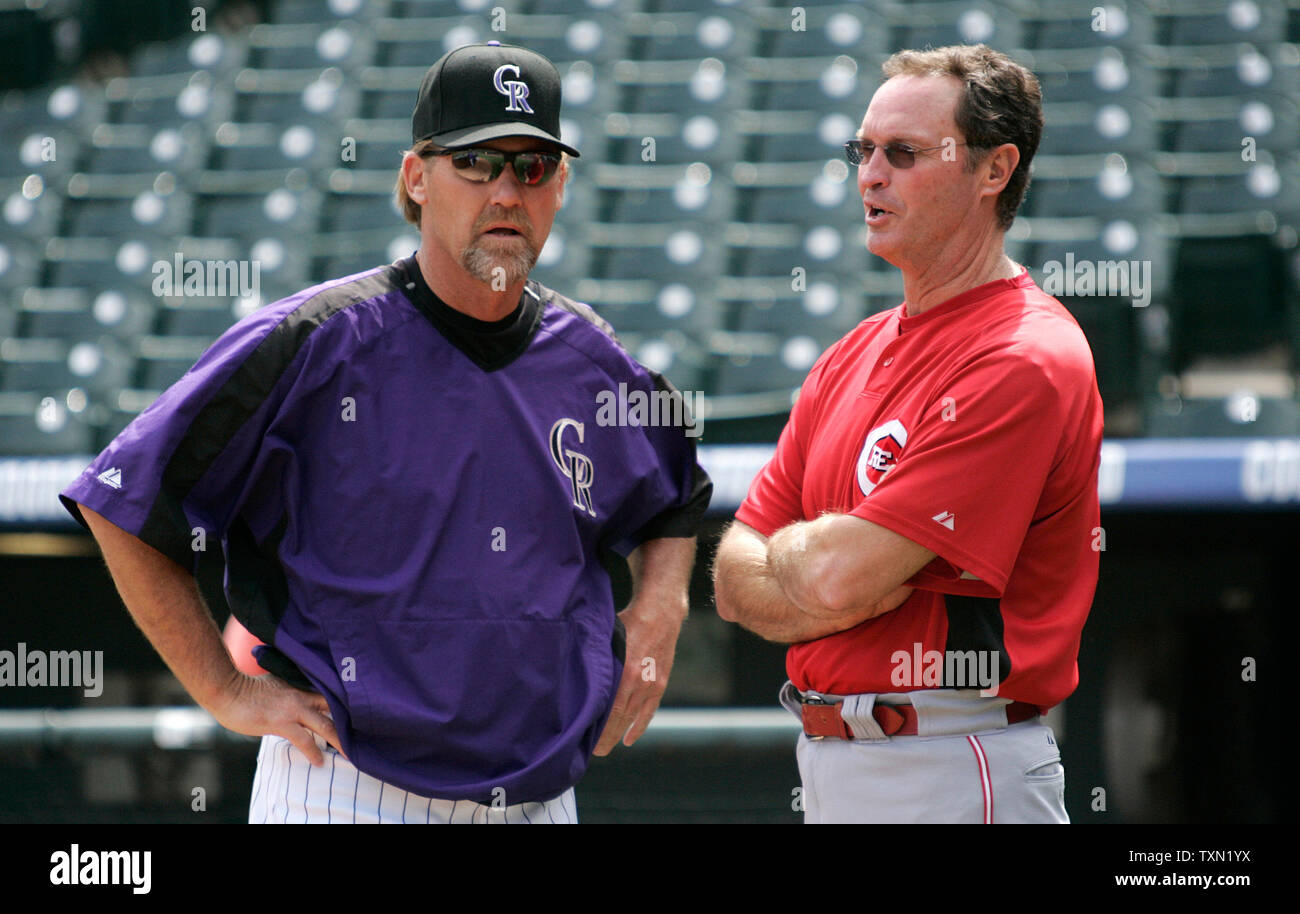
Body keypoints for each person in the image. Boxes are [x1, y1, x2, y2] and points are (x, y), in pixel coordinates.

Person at [61, 41, 711, 824]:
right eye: (477, 163)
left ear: (560, 186)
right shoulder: (314, 341)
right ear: (416, 178)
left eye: (532, 167)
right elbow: (121, 496)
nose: (507, 190)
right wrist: (225, 690)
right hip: (349, 784)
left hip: (541, 796)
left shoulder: (592, 359)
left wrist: (661, 609)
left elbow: (676, 489)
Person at [712, 44, 1103, 824]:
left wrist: (807, 567)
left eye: (902, 153)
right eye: (861, 151)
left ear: (994, 170)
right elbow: (731, 580)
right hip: (830, 759)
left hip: (956, 758)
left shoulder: (1024, 355)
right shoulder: (848, 354)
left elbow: (829, 581)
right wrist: (824, 568)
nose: (869, 174)